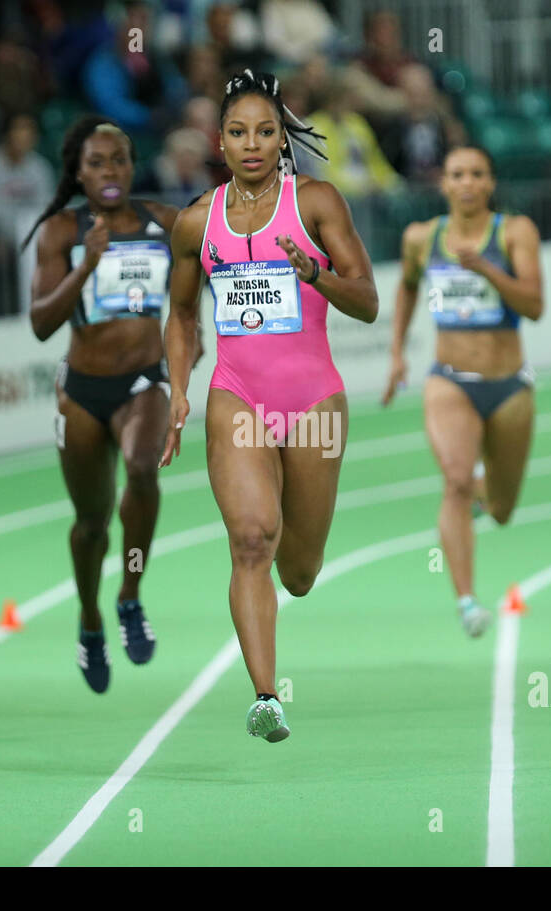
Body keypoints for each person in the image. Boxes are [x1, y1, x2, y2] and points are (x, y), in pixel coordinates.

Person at [161, 69, 379, 742]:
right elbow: (179, 315)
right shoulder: (196, 222)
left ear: (282, 139)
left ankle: (294, 575)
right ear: (218, 142)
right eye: (237, 132)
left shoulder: (315, 203)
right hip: (238, 396)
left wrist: (316, 274)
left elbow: (368, 301)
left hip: (314, 403)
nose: (251, 143)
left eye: (265, 131)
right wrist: (177, 391)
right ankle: (266, 697)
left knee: (301, 571)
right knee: (251, 538)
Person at [22, 116, 179, 694]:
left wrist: (191, 328)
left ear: (133, 165)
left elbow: (201, 275)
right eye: (96, 163)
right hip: (83, 392)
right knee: (91, 524)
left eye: (118, 161)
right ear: (78, 171)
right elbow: (40, 323)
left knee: (142, 468)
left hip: (144, 380)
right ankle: (90, 621)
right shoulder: (61, 231)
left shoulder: (162, 221)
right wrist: (86, 265)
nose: (109, 172)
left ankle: (130, 597)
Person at [382, 146, 544, 637]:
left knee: (502, 510)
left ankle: (482, 493)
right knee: (453, 479)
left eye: (477, 174)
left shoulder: (514, 232)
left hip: (509, 385)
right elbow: (409, 285)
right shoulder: (422, 238)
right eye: (457, 175)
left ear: (490, 182)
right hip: (448, 380)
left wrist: (488, 270)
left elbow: (534, 305)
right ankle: (468, 601)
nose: (467, 182)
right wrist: (397, 353)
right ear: (444, 184)